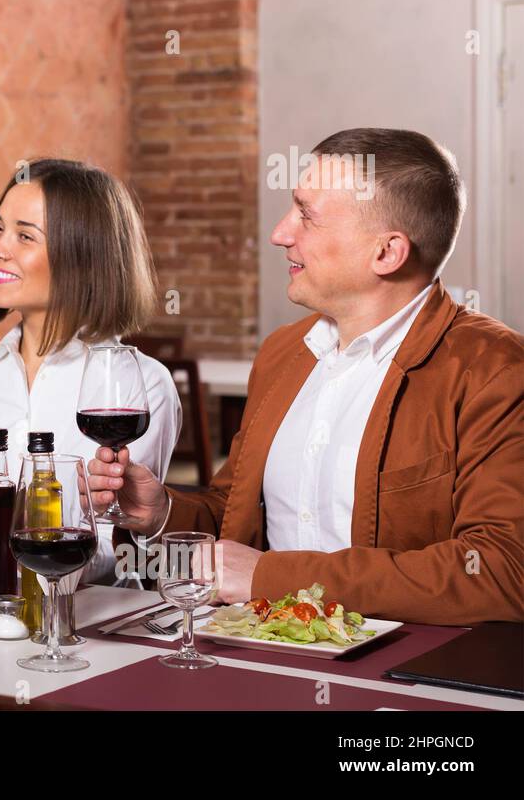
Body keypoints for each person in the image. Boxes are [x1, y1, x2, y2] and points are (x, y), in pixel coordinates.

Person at [88, 128, 524, 626]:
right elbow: (236, 516)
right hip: (260, 657)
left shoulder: (495, 370)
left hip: (405, 683)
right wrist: (162, 511)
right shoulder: (283, 353)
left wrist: (272, 578)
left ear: (387, 253)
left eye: (307, 215)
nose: (280, 233)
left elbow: (501, 571)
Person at [0, 159, 182, 584]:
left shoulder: (140, 385)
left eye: (25, 236)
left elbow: (121, 550)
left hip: (84, 629)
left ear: (83, 257)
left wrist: (17, 540)